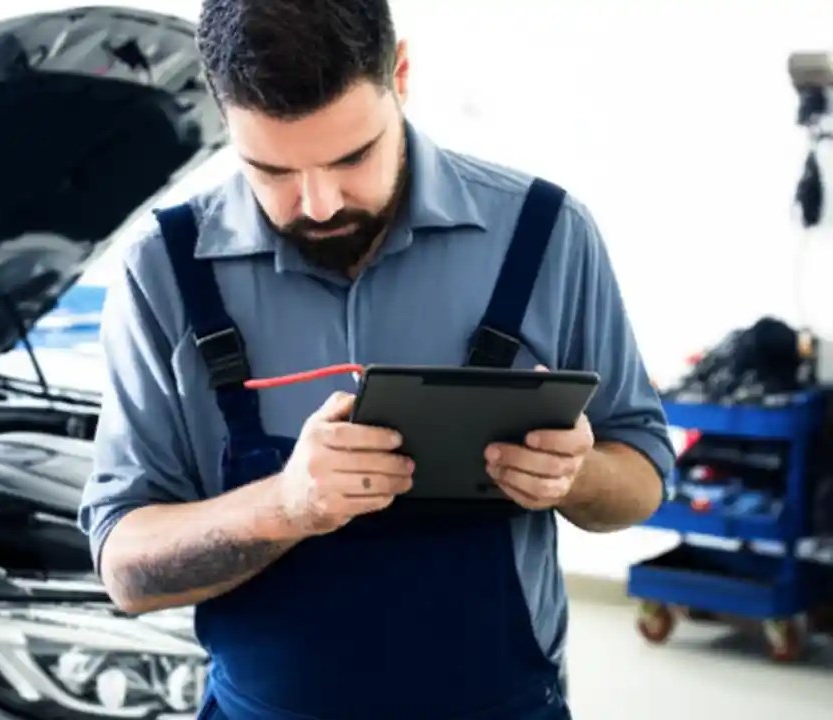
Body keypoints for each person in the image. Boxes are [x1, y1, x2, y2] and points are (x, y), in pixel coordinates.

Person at [78, 1, 674, 718]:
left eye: (351, 158)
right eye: (271, 171)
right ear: (222, 110)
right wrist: (285, 506)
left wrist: (577, 476)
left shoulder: (547, 235)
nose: (320, 204)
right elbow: (127, 574)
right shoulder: (164, 270)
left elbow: (643, 479)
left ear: (400, 73)